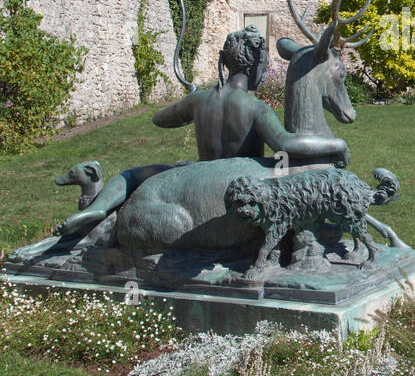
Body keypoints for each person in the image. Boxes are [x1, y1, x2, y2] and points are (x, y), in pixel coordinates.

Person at [58, 27, 348, 236]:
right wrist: (336, 145)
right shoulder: (254, 107)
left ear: (225, 60)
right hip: (235, 183)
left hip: (196, 174)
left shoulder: (199, 100)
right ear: (257, 66)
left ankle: (97, 207)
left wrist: (192, 99)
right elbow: (287, 144)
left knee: (134, 174)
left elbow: (160, 119)